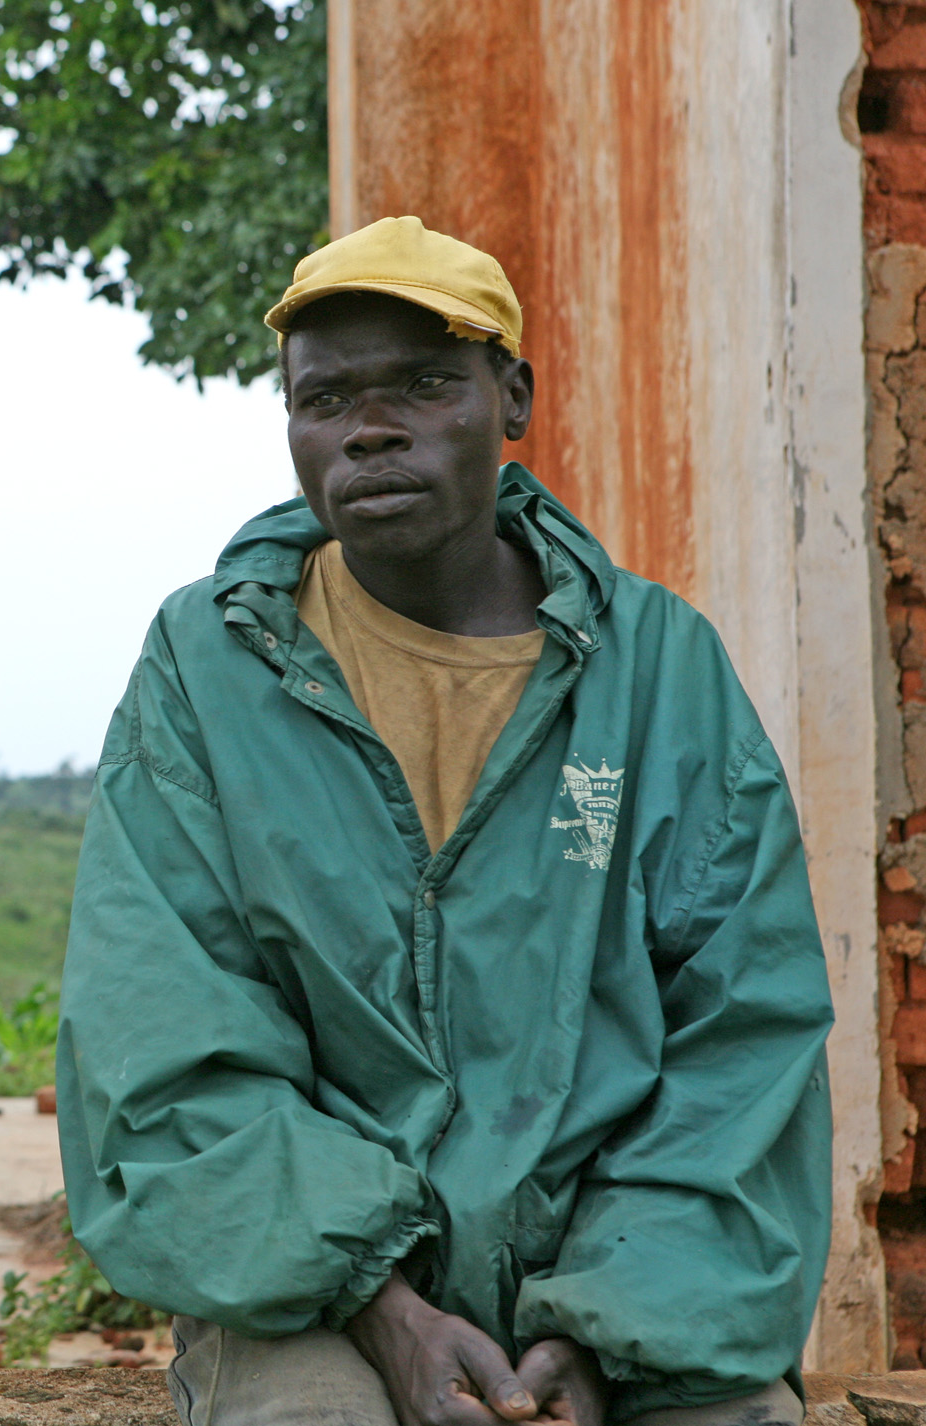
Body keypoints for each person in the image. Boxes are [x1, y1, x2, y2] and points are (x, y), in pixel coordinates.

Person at [55, 217, 833, 1426]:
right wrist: (385, 1306)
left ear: (508, 397)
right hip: (311, 1292)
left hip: (629, 1279)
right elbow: (163, 1035)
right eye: (326, 399)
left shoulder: (659, 669)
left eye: (424, 384)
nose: (370, 427)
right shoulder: (207, 668)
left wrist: (606, 1332)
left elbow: (740, 1035)